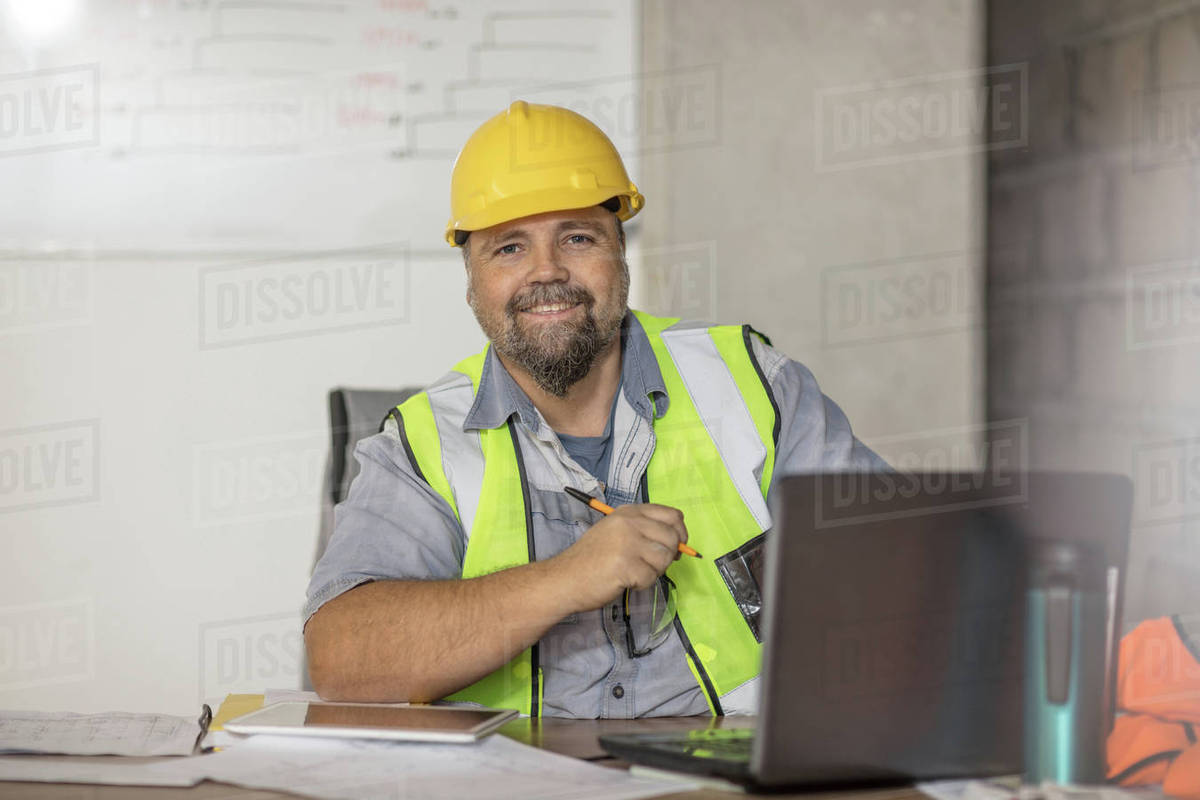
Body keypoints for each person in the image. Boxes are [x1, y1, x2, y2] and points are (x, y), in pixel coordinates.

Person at [303, 100, 886, 718]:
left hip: (730, 773)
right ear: (471, 279)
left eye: (578, 238)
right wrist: (565, 580)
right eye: (509, 249)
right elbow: (344, 660)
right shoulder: (422, 445)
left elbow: (907, 574)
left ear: (620, 255)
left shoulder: (756, 387)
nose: (547, 271)